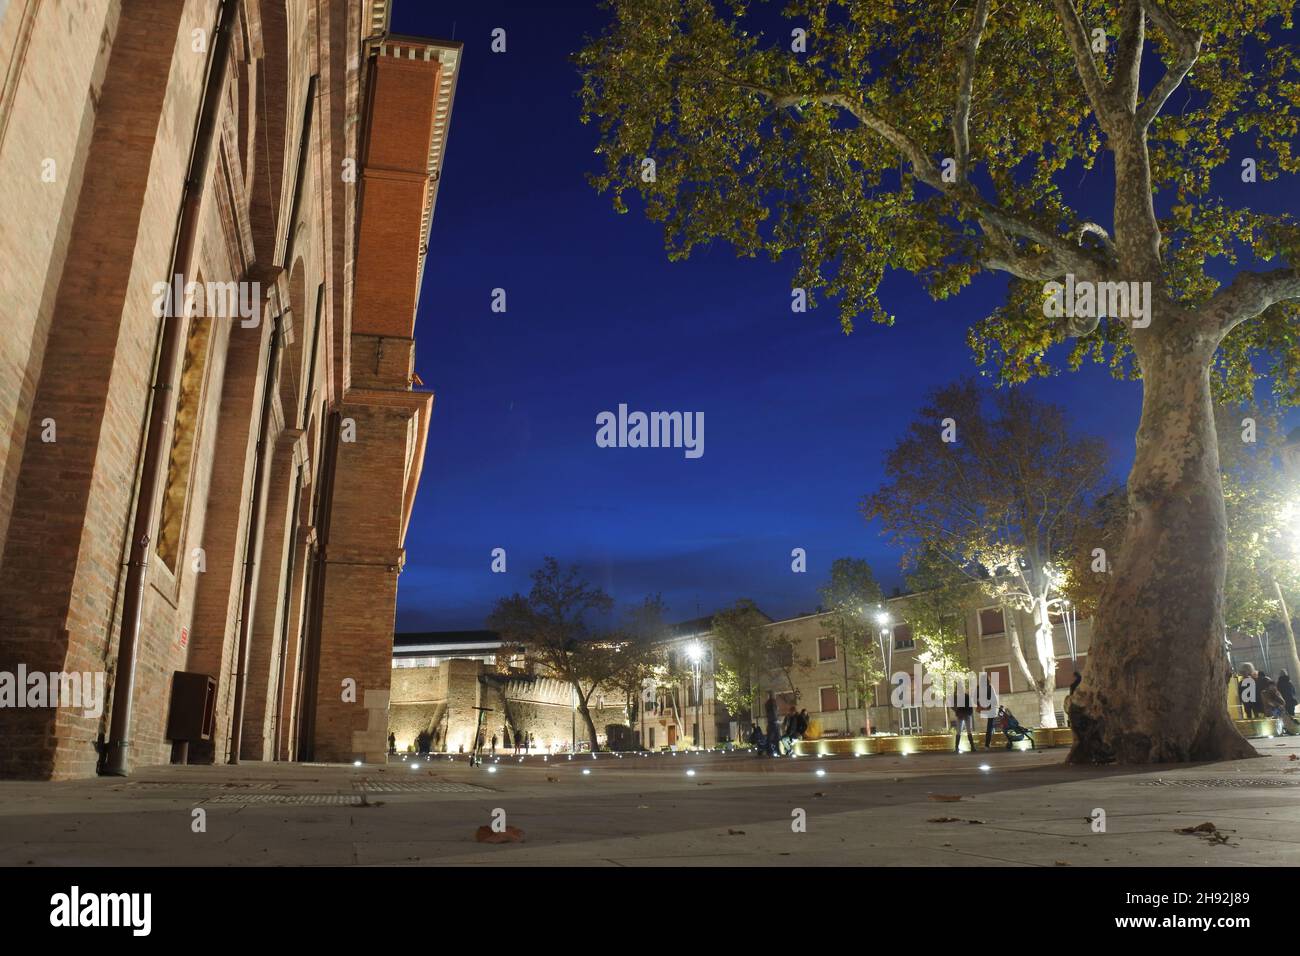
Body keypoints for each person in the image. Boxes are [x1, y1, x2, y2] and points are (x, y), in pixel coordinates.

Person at [977, 673, 1000, 750]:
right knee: (990, 726)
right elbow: (995, 700)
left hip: (985, 709)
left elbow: (976, 699)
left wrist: (980, 706)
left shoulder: (979, 688)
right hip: (991, 709)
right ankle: (988, 744)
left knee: (990, 726)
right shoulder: (990, 687)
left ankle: (987, 744)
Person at [952, 684, 976, 753]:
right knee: (966, 731)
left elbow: (953, 706)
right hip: (964, 714)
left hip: (962, 715)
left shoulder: (958, 697)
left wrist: (958, 711)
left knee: (960, 731)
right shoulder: (964, 696)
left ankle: (957, 748)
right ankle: (972, 747)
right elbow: (970, 706)